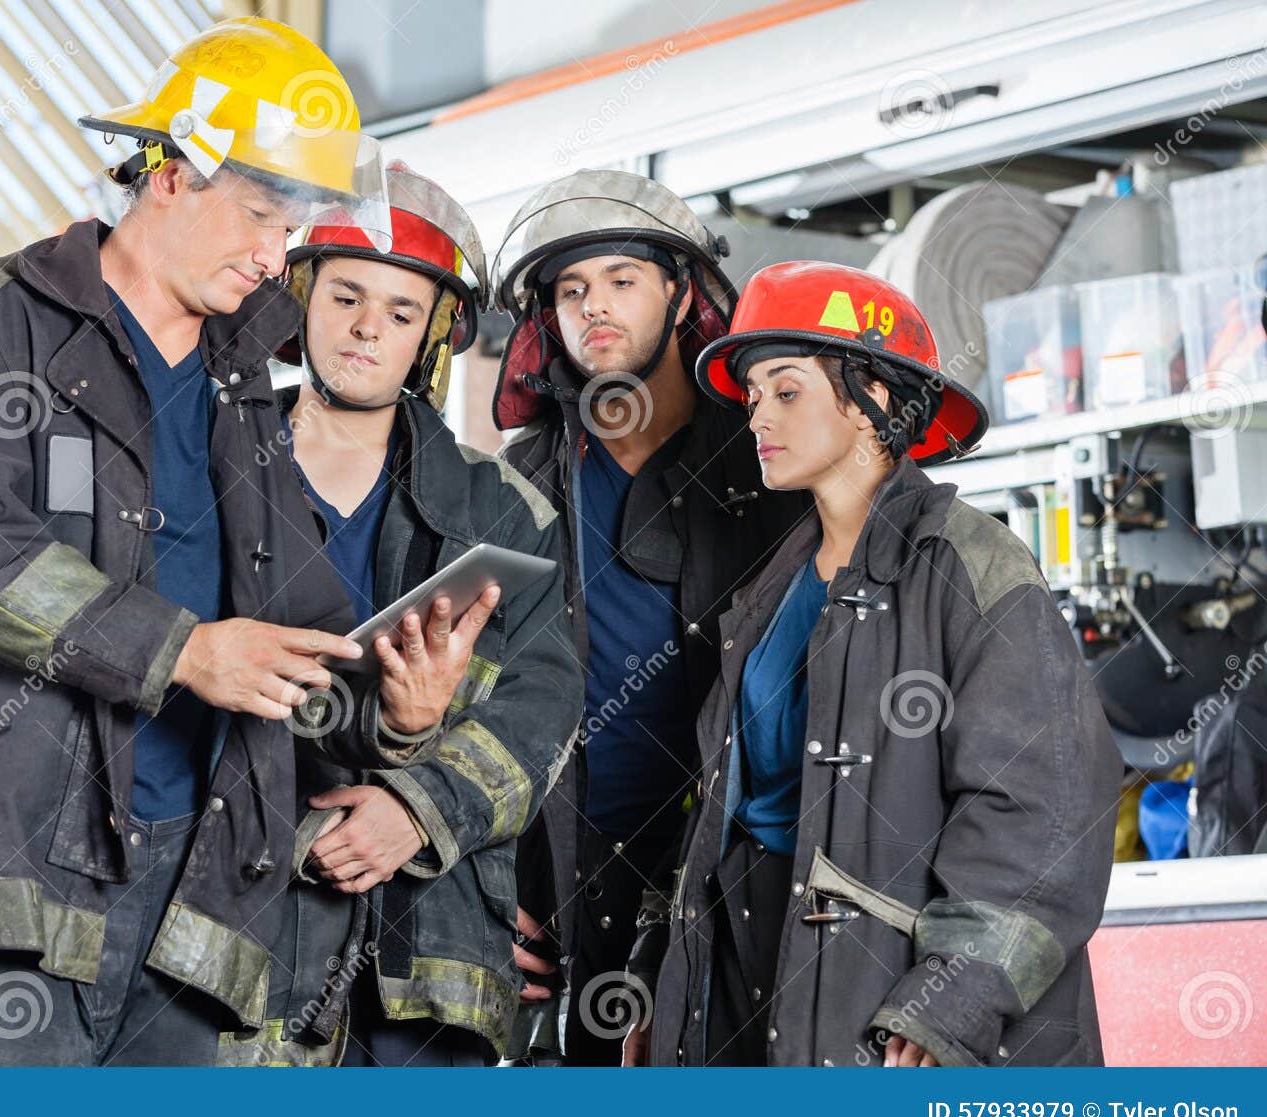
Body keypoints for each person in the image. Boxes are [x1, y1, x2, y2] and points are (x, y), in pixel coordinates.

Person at [0, 18, 400, 1065]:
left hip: (191, 893)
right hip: (0, 884)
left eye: (294, 226)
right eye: (262, 213)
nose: (278, 256)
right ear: (172, 174)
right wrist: (182, 649)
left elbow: (295, 625)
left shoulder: (242, 387)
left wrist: (394, 700)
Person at [637, 260, 1121, 1066]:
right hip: (751, 981)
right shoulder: (767, 589)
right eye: (754, 393)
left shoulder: (973, 567)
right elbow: (720, 818)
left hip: (900, 1007)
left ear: (874, 401)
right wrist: (670, 985)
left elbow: (1048, 813)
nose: (759, 414)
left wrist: (951, 1002)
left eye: (786, 390)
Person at [216, 161, 581, 1065]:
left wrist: (417, 806)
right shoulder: (210, 468)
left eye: (402, 311)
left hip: (429, 961)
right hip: (234, 939)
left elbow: (545, 709)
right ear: (299, 300)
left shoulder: (502, 512)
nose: (367, 327)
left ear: (434, 338)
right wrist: (392, 729)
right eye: (345, 295)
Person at [489, 170, 810, 1064]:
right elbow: (483, 692)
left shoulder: (770, 465)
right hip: (576, 875)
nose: (594, 308)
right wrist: (508, 877)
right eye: (570, 290)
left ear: (679, 293)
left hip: (735, 873)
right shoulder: (514, 485)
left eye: (621, 281)